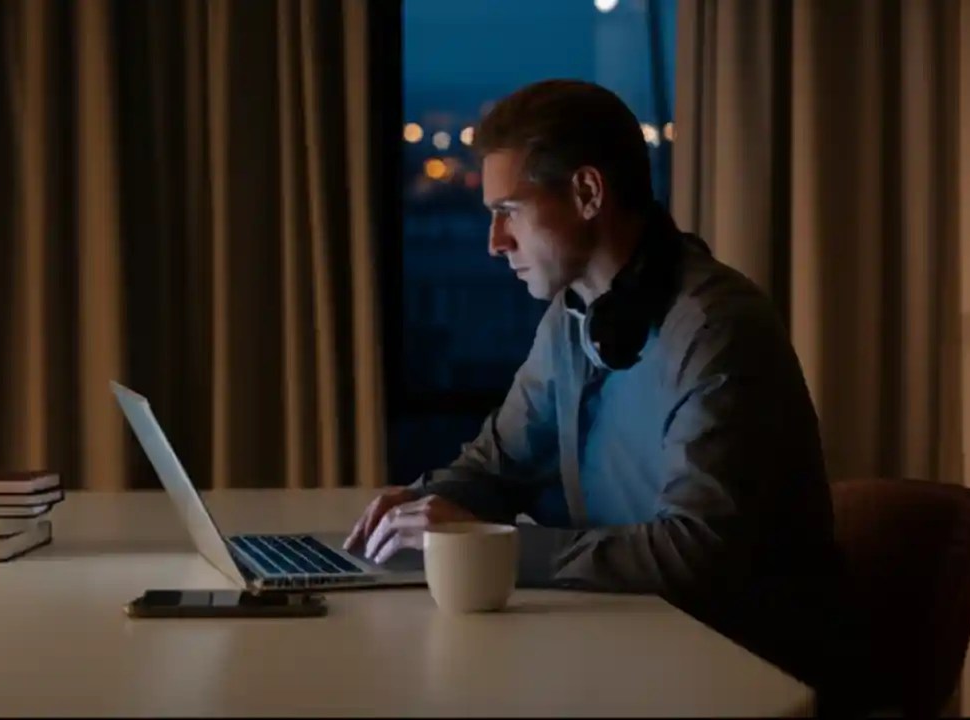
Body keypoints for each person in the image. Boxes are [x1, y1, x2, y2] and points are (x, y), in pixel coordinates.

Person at [343, 79, 863, 710]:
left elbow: (697, 554)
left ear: (589, 193)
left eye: (508, 211)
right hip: (636, 655)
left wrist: (496, 547)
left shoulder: (715, 329)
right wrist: (422, 510)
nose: (494, 243)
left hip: (741, 678)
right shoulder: (572, 316)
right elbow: (497, 465)